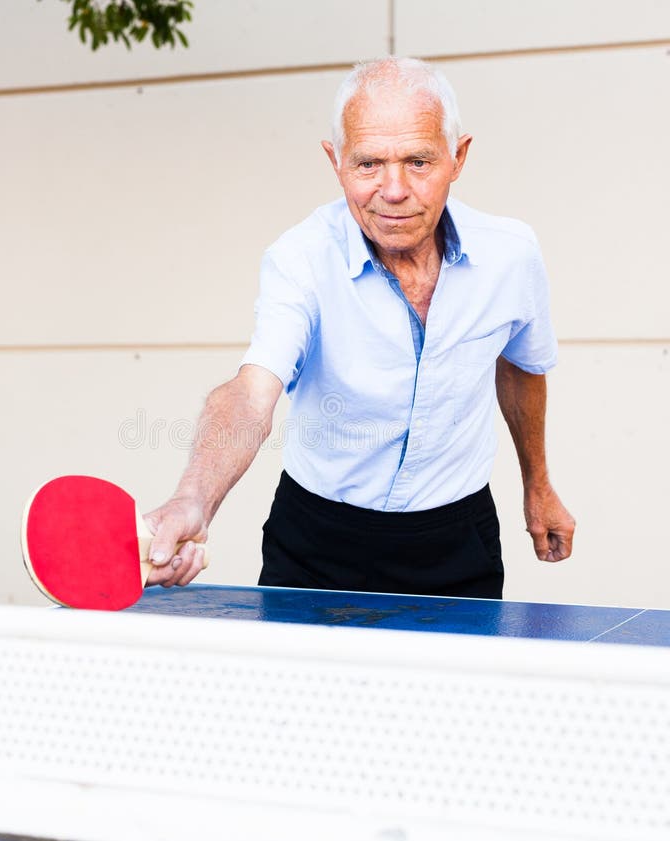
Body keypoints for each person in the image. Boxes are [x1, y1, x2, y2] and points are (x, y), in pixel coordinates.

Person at [142, 56, 575, 598]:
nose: (392, 190)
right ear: (336, 160)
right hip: (318, 541)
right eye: (368, 164)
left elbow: (521, 364)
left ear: (458, 157)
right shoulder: (300, 259)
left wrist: (538, 483)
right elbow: (251, 394)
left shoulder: (512, 255)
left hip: (457, 537)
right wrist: (193, 500)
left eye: (418, 161)